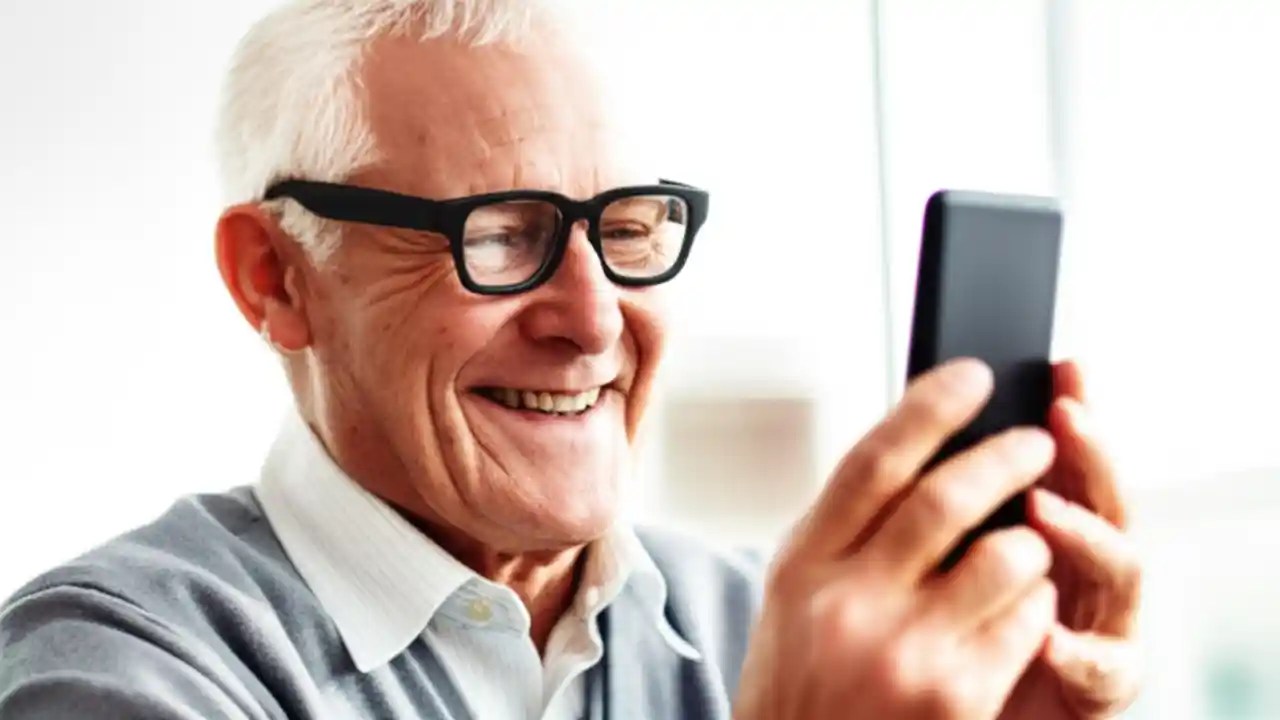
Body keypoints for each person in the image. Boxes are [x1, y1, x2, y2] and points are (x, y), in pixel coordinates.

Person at [0, 1, 1142, 718]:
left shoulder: (773, 623)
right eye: (500, 233)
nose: (595, 321)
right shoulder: (118, 667)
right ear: (276, 279)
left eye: (630, 229)